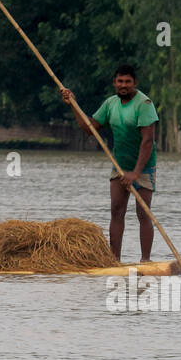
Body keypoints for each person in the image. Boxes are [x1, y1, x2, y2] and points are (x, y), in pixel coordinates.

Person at [61, 64, 158, 262]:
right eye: (120, 82)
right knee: (116, 210)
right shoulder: (110, 104)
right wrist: (73, 104)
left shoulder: (144, 104)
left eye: (128, 82)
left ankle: (145, 260)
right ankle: (114, 260)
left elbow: (148, 141)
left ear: (135, 83)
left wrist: (136, 173)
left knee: (143, 212)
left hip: (143, 166)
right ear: (114, 83)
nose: (124, 85)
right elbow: (90, 128)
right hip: (119, 165)